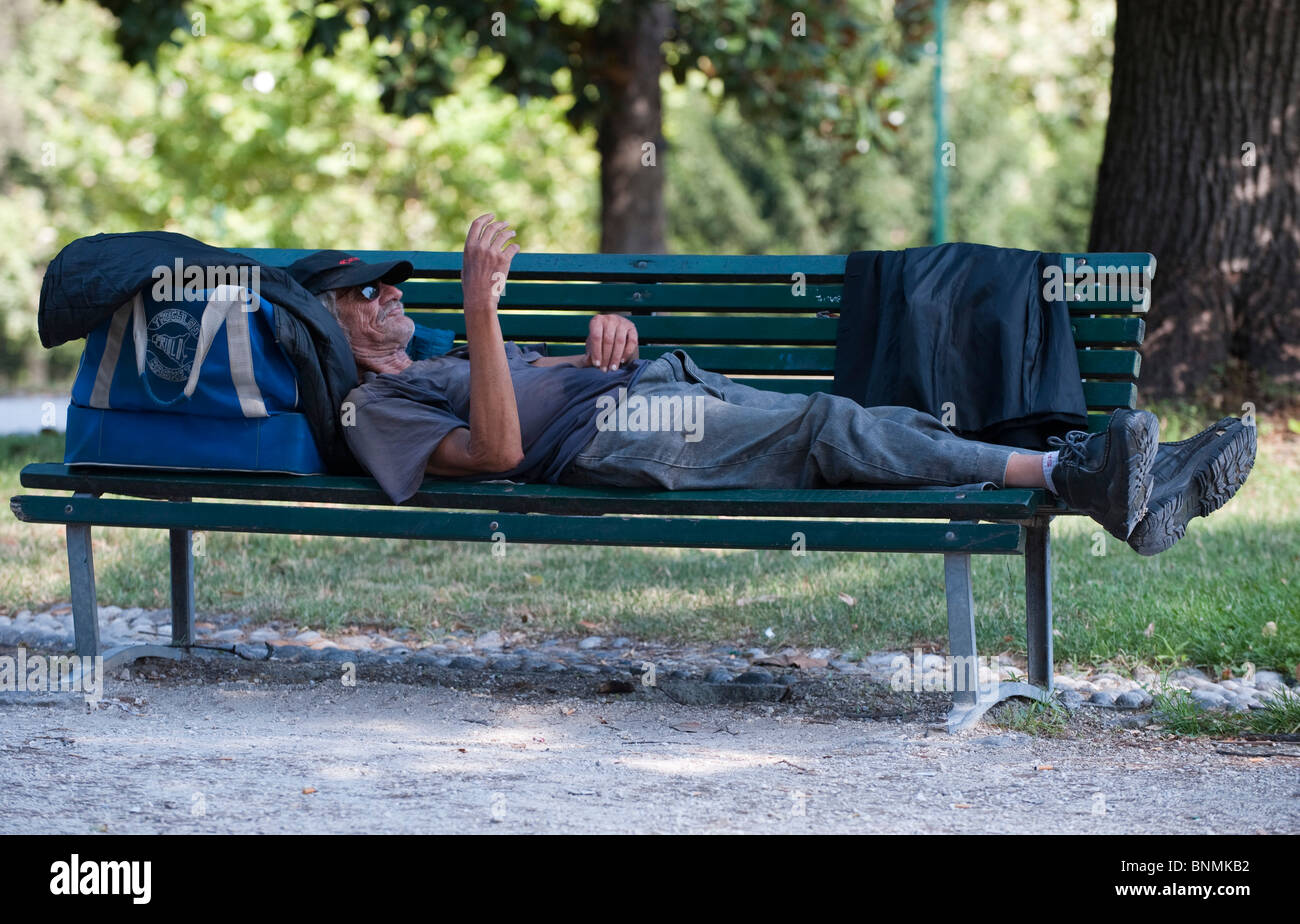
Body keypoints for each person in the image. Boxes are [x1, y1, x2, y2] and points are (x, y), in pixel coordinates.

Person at [288, 214, 1256, 555]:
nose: (383, 298)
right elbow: (497, 453)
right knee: (834, 429)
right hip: (619, 443)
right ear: (327, 326)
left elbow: (517, 390)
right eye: (358, 296)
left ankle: (1136, 485)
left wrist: (597, 347)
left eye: (387, 285)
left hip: (650, 391)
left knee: (855, 424)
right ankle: (1083, 475)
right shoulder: (373, 406)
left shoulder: (438, 360)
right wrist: (488, 311)